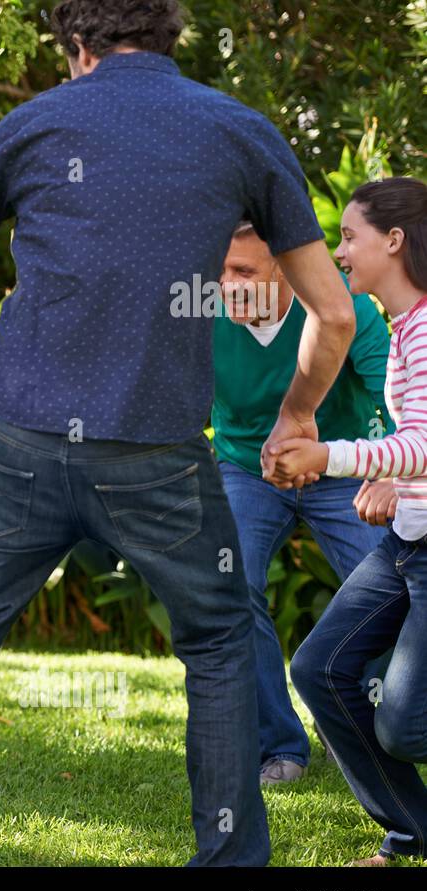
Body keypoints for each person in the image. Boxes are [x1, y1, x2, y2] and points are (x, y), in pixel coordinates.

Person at [0, 0, 359, 866]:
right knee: (222, 643)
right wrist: (297, 412)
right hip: (158, 456)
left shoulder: (34, 122)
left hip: (18, 448)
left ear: (78, 49)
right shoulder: (239, 130)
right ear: (169, 39)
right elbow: (336, 314)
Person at [271, 177, 427, 865]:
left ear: (393, 240)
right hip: (407, 540)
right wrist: (390, 474)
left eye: (350, 237)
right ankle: (412, 829)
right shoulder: (401, 326)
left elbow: (424, 442)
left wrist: (329, 456)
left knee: (403, 723)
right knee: (321, 669)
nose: (338, 253)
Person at [214, 219, 394, 786]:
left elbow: (403, 406)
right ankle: (279, 747)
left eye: (242, 271)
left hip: (346, 466)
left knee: (396, 588)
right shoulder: (198, 319)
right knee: (228, 579)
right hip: (248, 467)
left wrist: (395, 474)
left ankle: (366, 719)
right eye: (218, 271)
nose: (225, 286)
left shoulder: (350, 311)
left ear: (288, 271)